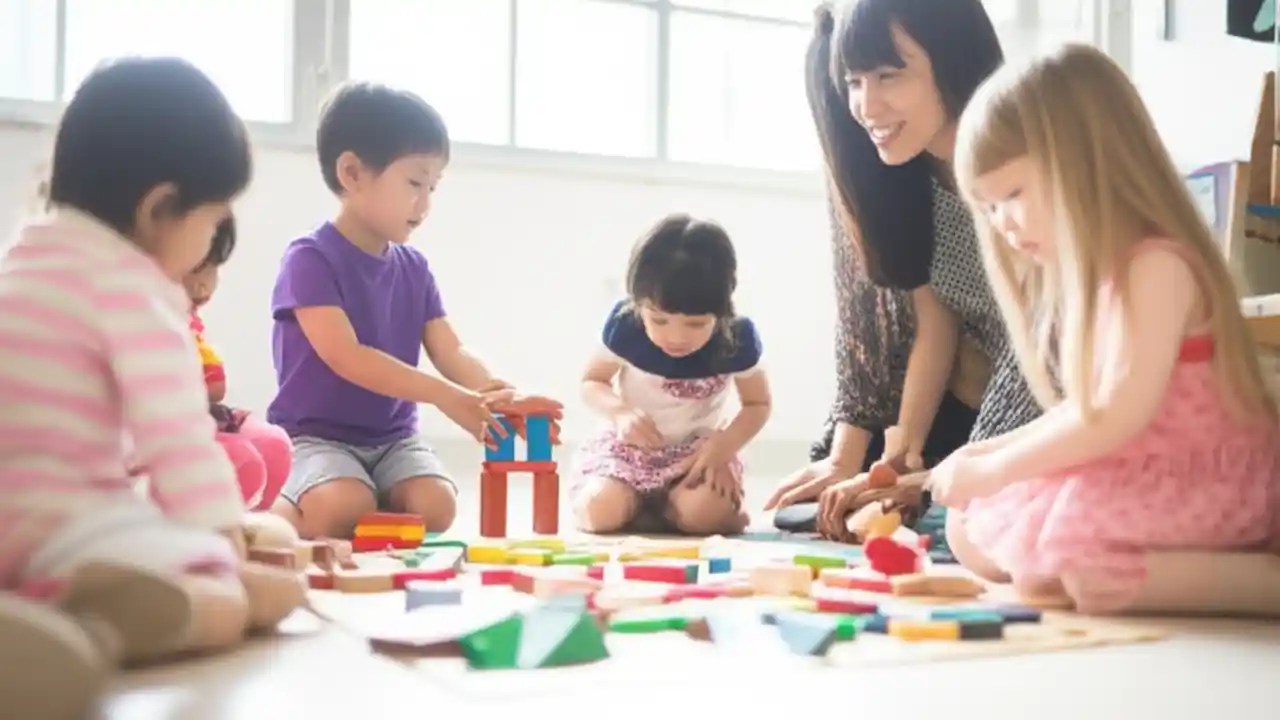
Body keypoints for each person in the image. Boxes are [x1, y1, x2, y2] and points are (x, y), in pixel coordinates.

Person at [0, 57, 304, 717]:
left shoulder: (24, 260)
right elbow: (177, 438)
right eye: (211, 219)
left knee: (270, 543)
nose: (207, 245)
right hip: (64, 530)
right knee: (246, 597)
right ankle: (84, 622)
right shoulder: (133, 289)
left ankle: (29, 607)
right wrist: (221, 540)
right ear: (159, 209)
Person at [933, 44, 1280, 616]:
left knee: (1082, 569)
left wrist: (996, 468)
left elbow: (1119, 412)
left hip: (1199, 480)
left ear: (1087, 161)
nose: (1002, 225)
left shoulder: (1156, 265)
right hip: (1136, 465)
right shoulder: (1105, 276)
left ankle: (1266, 580)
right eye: (989, 207)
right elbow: (1084, 410)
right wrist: (983, 453)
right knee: (968, 527)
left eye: (1013, 195)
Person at [765, 0, 1042, 544]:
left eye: (890, 76)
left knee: (976, 531)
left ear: (953, 60)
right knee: (845, 514)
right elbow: (934, 322)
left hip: (1042, 394)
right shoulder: (922, 176)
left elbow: (1036, 346)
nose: (867, 106)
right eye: (855, 81)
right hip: (978, 400)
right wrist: (900, 451)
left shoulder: (1015, 170)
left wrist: (932, 480)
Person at [268, 81, 560, 540]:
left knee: (437, 506)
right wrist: (445, 395)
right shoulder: (310, 258)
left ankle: (360, 496)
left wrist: (495, 394)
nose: (425, 204)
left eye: (433, 187)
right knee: (342, 507)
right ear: (352, 173)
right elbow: (347, 355)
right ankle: (290, 502)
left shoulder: (414, 267)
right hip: (317, 437)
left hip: (393, 441)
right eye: (414, 183)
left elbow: (451, 350)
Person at [572, 214, 771, 535]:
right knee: (600, 511)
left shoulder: (737, 338)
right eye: (659, 320)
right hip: (629, 451)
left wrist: (724, 447)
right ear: (639, 305)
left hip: (697, 453)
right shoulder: (626, 326)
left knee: (705, 515)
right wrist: (620, 412)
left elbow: (757, 404)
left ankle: (667, 511)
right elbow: (591, 382)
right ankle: (640, 505)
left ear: (722, 310)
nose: (676, 337)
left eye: (695, 324)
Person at [184, 216, 292, 511]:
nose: (205, 283)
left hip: (206, 415)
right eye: (195, 269)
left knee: (274, 445)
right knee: (243, 461)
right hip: (173, 423)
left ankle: (247, 530)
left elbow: (214, 386)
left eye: (213, 269)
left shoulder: (189, 318)